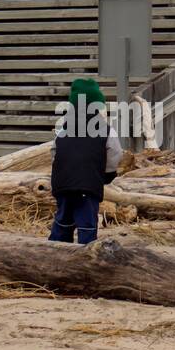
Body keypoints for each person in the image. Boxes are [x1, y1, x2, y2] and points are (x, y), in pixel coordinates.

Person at [49, 78, 123, 244]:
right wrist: (107, 173)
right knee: (87, 225)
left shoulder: (63, 129)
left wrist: (62, 170)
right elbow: (115, 152)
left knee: (62, 221)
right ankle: (86, 255)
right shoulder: (105, 130)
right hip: (87, 186)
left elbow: (54, 151)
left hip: (63, 185)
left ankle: (56, 251)